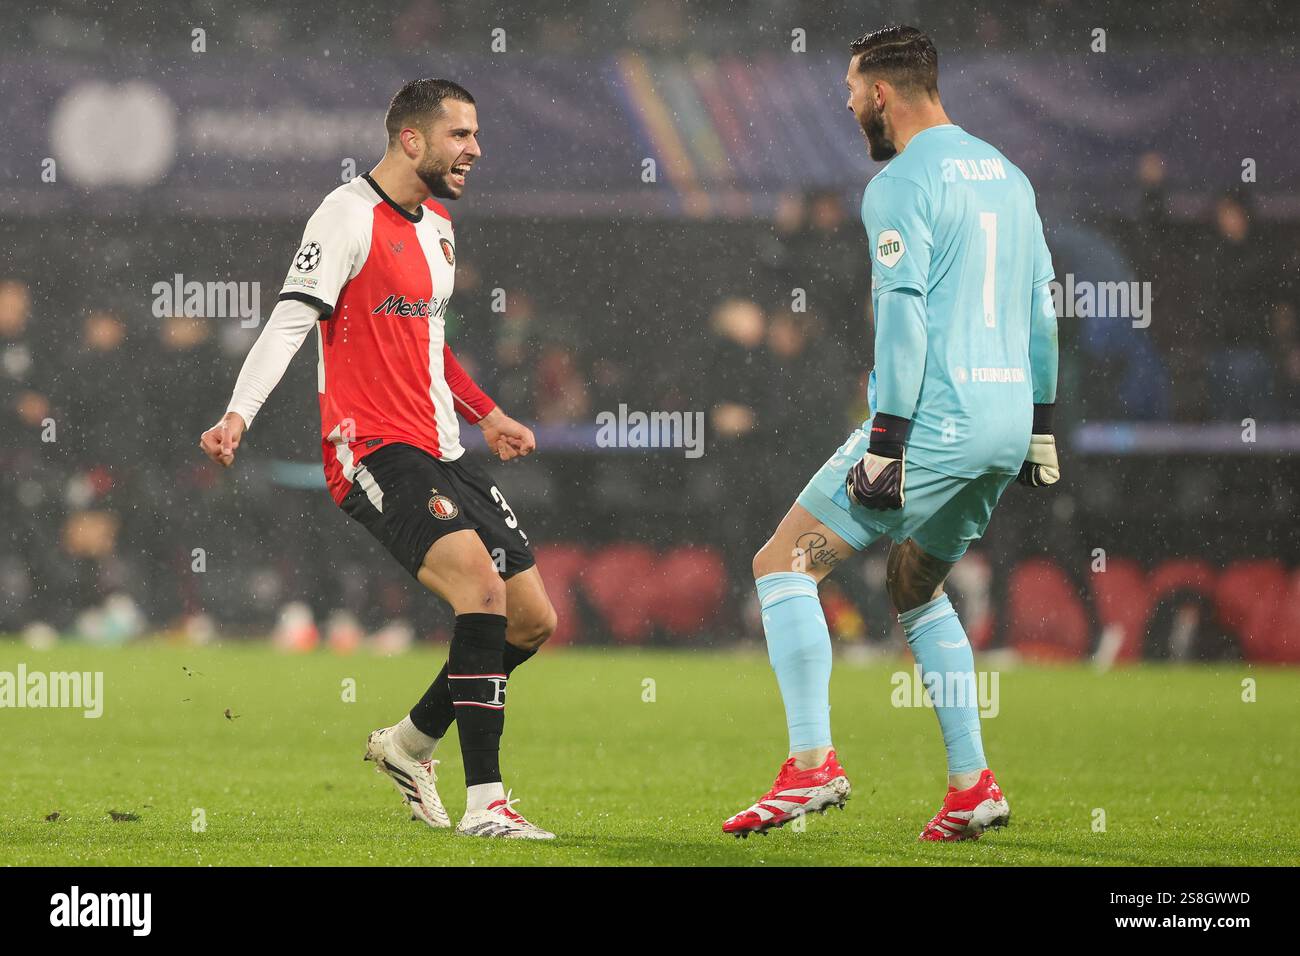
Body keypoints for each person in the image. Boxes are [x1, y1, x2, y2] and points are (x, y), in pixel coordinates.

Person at [723, 26, 1059, 842]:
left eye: (850, 89)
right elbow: (1043, 315)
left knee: (782, 564)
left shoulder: (900, 183)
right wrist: (1042, 427)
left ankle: (811, 765)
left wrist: (885, 441)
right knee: (913, 584)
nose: (845, 104)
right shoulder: (1009, 176)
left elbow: (902, 321)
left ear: (881, 93)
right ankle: (971, 784)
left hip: (934, 421)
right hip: (1006, 422)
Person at [199, 79, 557, 840]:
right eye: (460, 134)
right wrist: (239, 412)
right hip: (373, 448)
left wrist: (488, 414)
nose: (475, 149)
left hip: (446, 448)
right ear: (411, 139)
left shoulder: (441, 228)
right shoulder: (344, 215)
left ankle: (409, 744)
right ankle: (488, 804)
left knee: (531, 621)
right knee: (481, 592)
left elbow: (430, 343)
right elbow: (291, 320)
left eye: (476, 133)